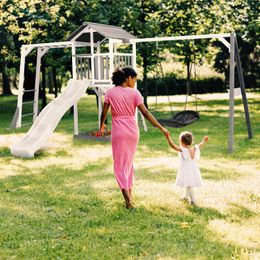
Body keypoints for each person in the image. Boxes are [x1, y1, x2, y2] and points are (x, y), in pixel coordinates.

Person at [99, 67, 169, 209]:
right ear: (129, 78)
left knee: (119, 165)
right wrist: (160, 127)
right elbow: (146, 113)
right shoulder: (135, 93)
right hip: (133, 132)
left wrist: (101, 126)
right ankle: (130, 196)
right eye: (135, 79)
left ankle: (128, 200)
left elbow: (104, 112)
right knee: (128, 164)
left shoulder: (110, 92)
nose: (135, 82)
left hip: (119, 132)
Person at [166, 131, 209, 206]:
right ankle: (185, 197)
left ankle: (193, 201)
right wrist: (204, 141)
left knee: (189, 185)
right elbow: (200, 145)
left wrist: (168, 138)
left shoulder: (183, 149)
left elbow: (173, 146)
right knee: (187, 182)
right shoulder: (195, 148)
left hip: (186, 170)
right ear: (191, 141)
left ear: (181, 142)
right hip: (193, 169)